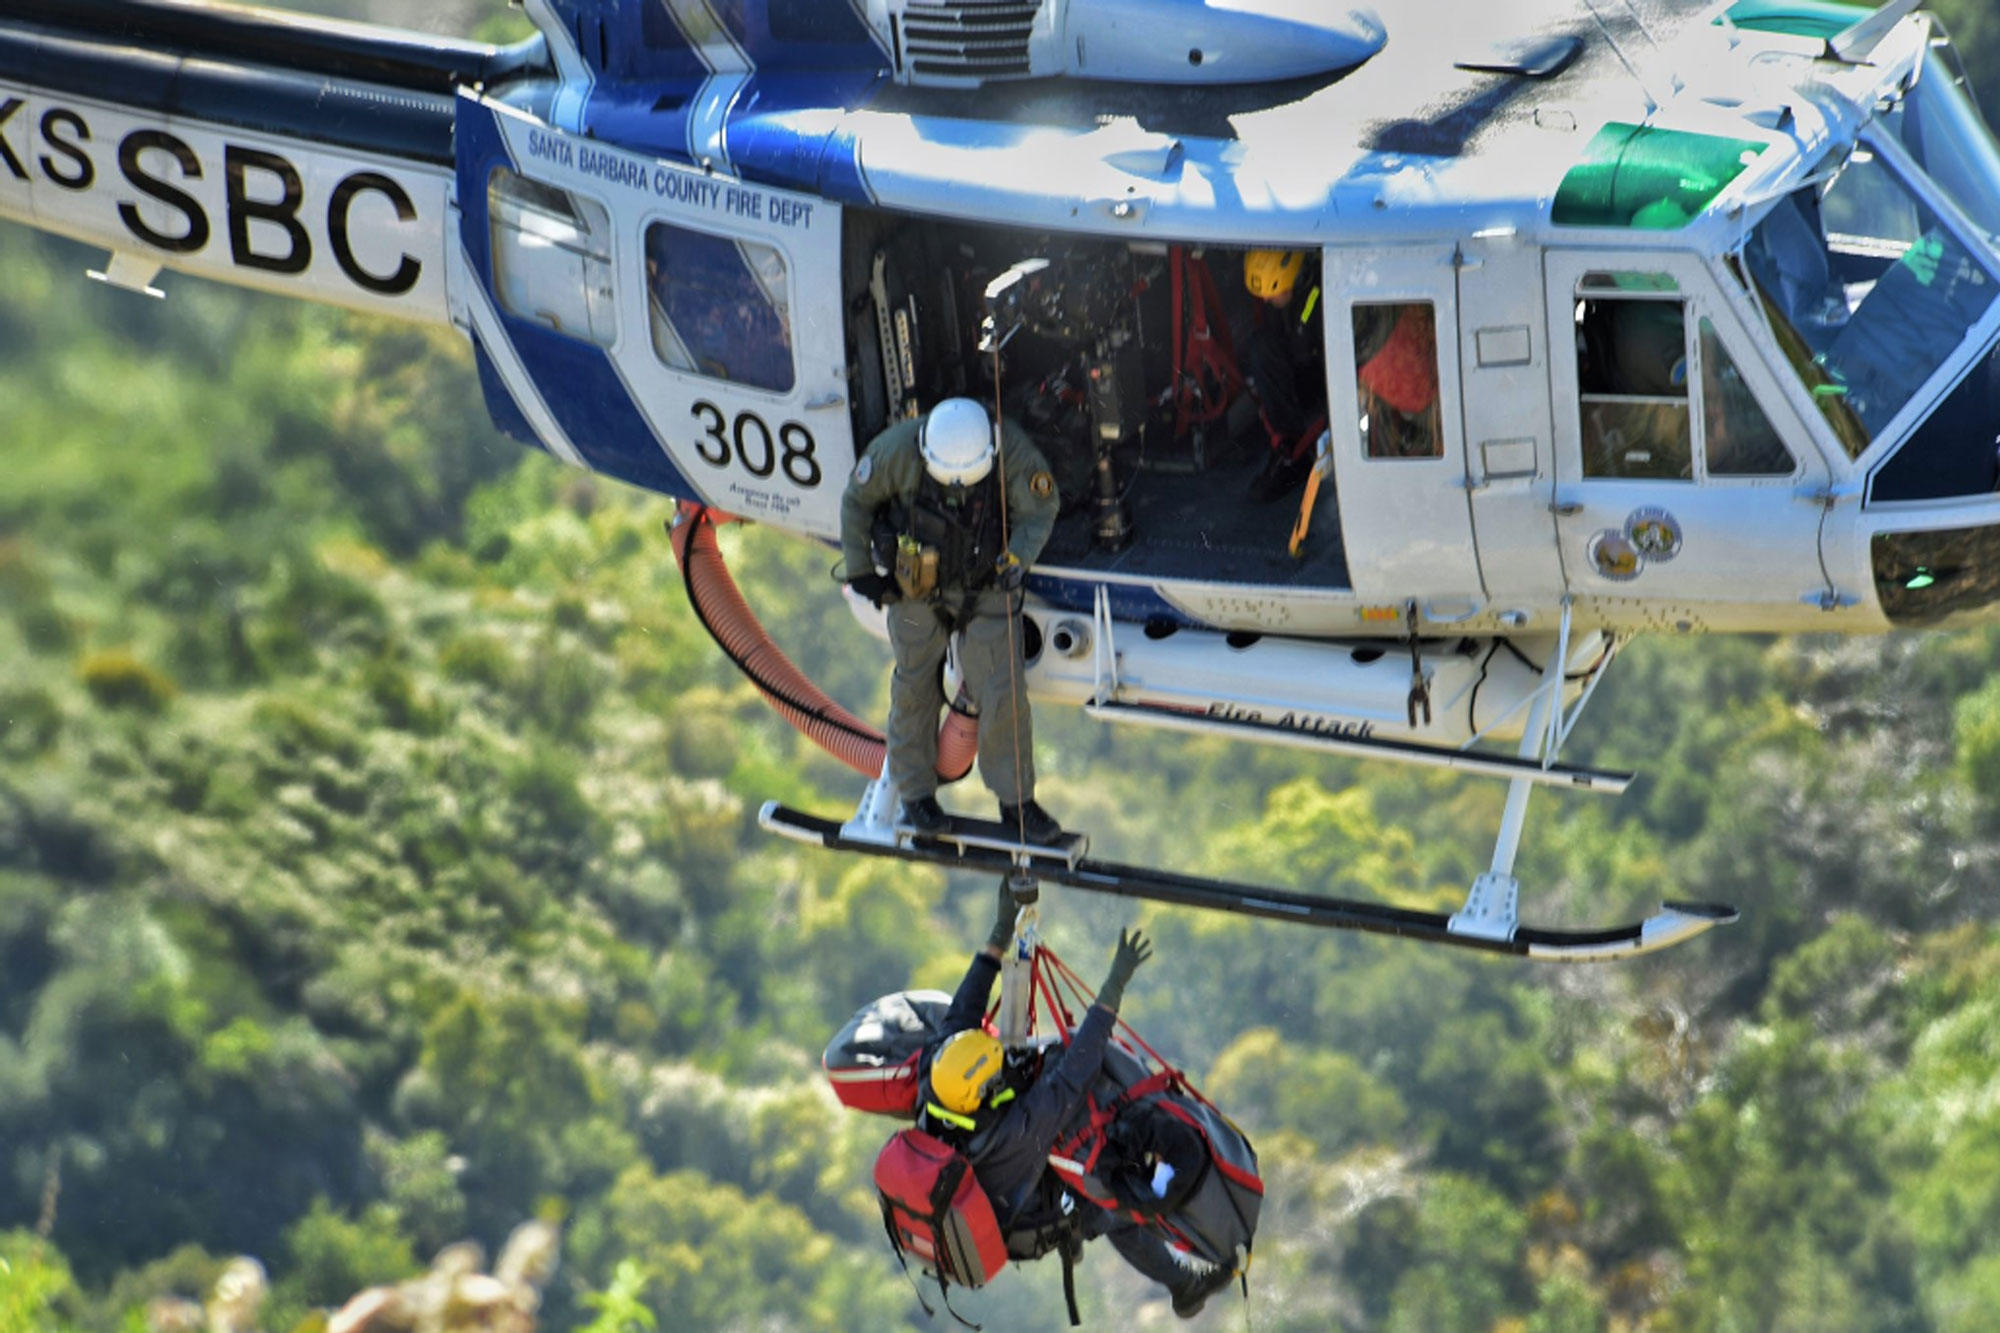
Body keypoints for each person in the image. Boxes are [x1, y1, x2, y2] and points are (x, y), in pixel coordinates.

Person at [920, 886, 1239, 1319]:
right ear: (983, 1095)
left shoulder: (937, 1076)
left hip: (990, 1182)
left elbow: (967, 1002)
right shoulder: (1011, 1133)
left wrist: (1001, 927)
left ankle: (1180, 1283)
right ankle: (1183, 1285)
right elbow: (1077, 1069)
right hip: (1028, 1219)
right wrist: (1115, 983)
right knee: (1118, 1199)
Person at [840, 397, 1063, 844]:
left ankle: (1017, 803)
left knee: (1003, 691)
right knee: (914, 687)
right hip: (916, 587)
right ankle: (916, 796)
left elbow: (1041, 507)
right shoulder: (896, 451)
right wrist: (861, 570)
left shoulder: (1013, 452)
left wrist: (1016, 560)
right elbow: (856, 502)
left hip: (986, 585)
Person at [1241, 248, 1329, 503]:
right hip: (1300, 368)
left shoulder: (1320, 299)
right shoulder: (1290, 300)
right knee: (1261, 347)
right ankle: (1289, 447)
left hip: (1325, 375)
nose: (1267, 301)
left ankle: (1299, 453)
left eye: (1272, 294)